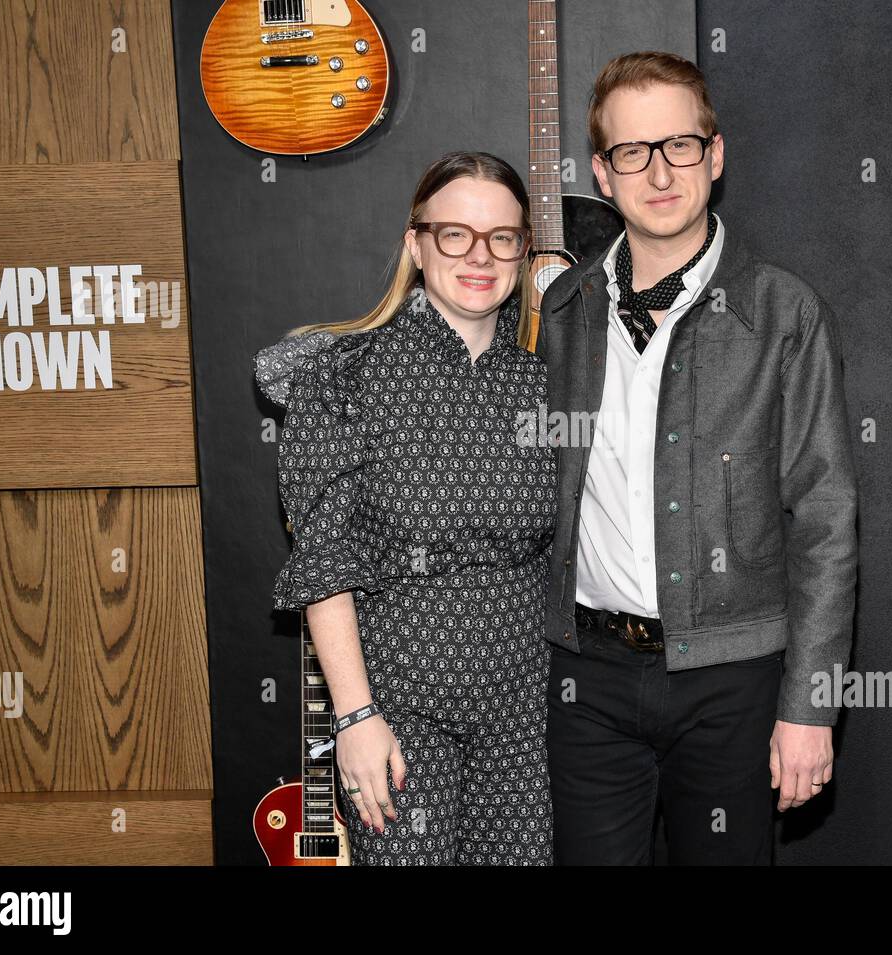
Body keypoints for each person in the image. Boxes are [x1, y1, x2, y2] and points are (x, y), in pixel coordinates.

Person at [536, 52, 860, 865]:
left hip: (734, 681)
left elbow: (825, 517)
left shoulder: (783, 312)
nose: (659, 171)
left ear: (714, 156)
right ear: (603, 176)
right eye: (632, 152)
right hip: (587, 682)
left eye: (679, 144)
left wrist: (812, 706)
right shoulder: (563, 309)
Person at [253, 151, 558, 865]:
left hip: (521, 709)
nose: (479, 255)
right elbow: (323, 559)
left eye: (502, 237)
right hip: (396, 704)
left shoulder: (546, 384)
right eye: (455, 234)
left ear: (524, 253)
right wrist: (355, 715)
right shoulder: (345, 372)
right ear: (416, 244)